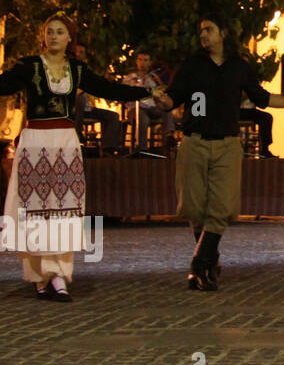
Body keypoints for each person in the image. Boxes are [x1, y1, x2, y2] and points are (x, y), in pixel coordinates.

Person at [154, 14, 284, 291]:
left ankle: (199, 265)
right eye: (201, 30)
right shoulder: (192, 65)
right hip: (194, 142)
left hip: (228, 145)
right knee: (194, 208)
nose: (203, 34)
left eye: (209, 29)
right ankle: (208, 262)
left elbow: (263, 99)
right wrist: (162, 99)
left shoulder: (240, 67)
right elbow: (173, 98)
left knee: (223, 207)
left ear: (223, 33)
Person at [0, 15, 152, 301]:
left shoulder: (78, 70)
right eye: (49, 32)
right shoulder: (29, 66)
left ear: (70, 39)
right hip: (35, 141)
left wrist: (146, 91)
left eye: (60, 32)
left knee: (63, 208)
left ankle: (58, 275)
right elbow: (3, 85)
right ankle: (38, 276)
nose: (54, 36)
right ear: (43, 37)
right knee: (35, 209)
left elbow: (109, 89)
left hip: (66, 143)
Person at [70, 45, 126, 152]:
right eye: (76, 52)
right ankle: (77, 134)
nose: (78, 54)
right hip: (72, 109)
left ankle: (108, 148)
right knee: (79, 99)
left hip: (87, 108)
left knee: (114, 116)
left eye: (81, 52)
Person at [122, 51, 175, 153]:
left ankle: (170, 136)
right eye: (140, 60)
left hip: (152, 107)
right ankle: (142, 149)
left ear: (149, 63)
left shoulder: (154, 77)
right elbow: (124, 94)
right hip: (136, 108)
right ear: (137, 61)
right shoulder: (130, 77)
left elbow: (161, 91)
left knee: (167, 106)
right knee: (142, 116)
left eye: (145, 60)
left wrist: (157, 84)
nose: (142, 63)